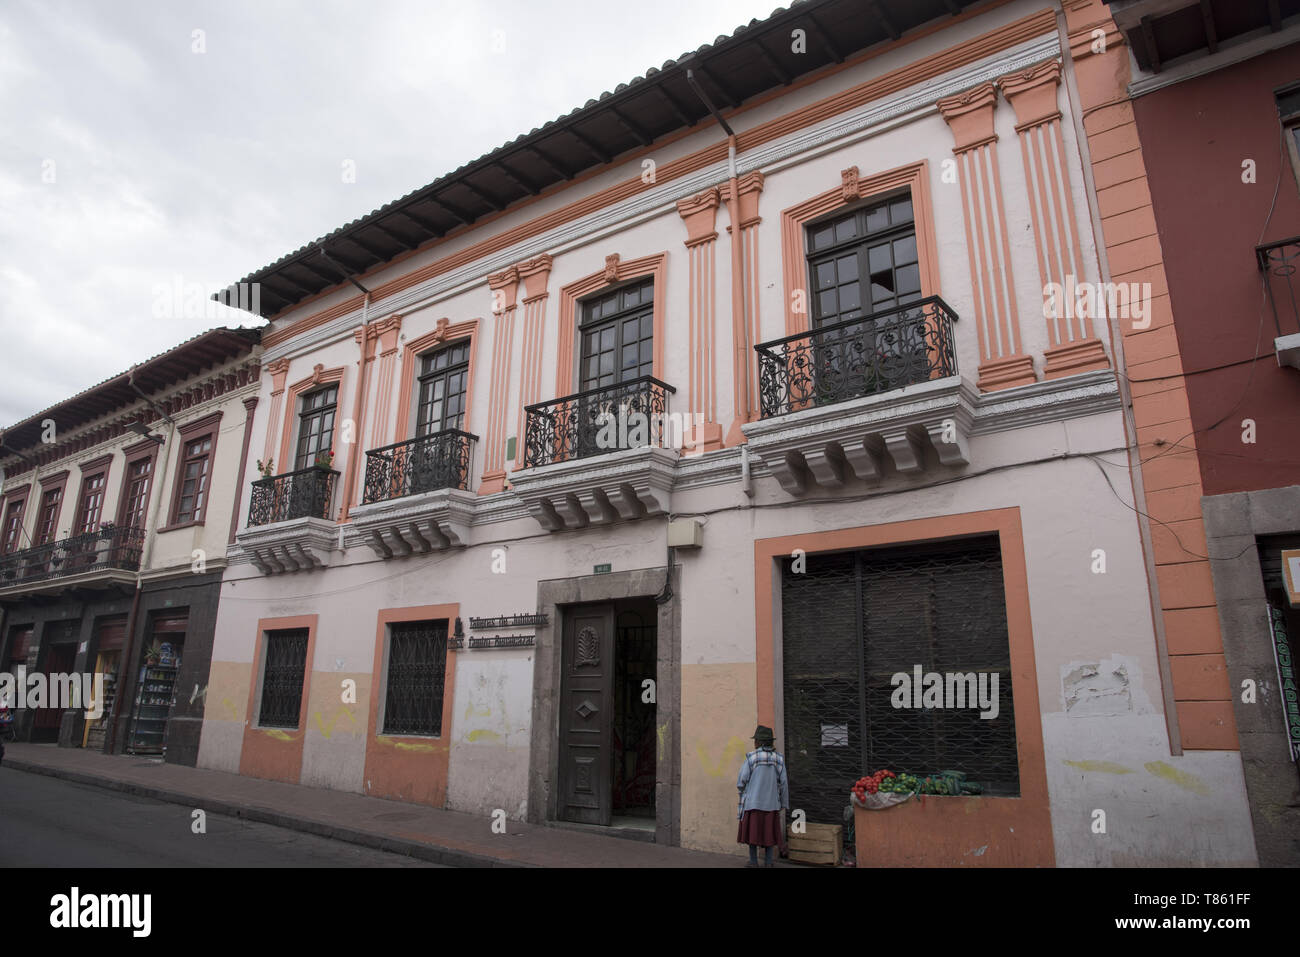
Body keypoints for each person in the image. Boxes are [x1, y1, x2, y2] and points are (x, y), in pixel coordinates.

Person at [736, 724, 788, 867]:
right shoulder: (778, 759)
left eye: (755, 740)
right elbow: (783, 783)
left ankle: (753, 862)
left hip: (753, 804)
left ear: (758, 742)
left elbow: (741, 780)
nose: (754, 743)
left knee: (753, 835)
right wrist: (783, 803)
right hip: (771, 805)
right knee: (769, 836)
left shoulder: (752, 758)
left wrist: (744, 791)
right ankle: (769, 862)